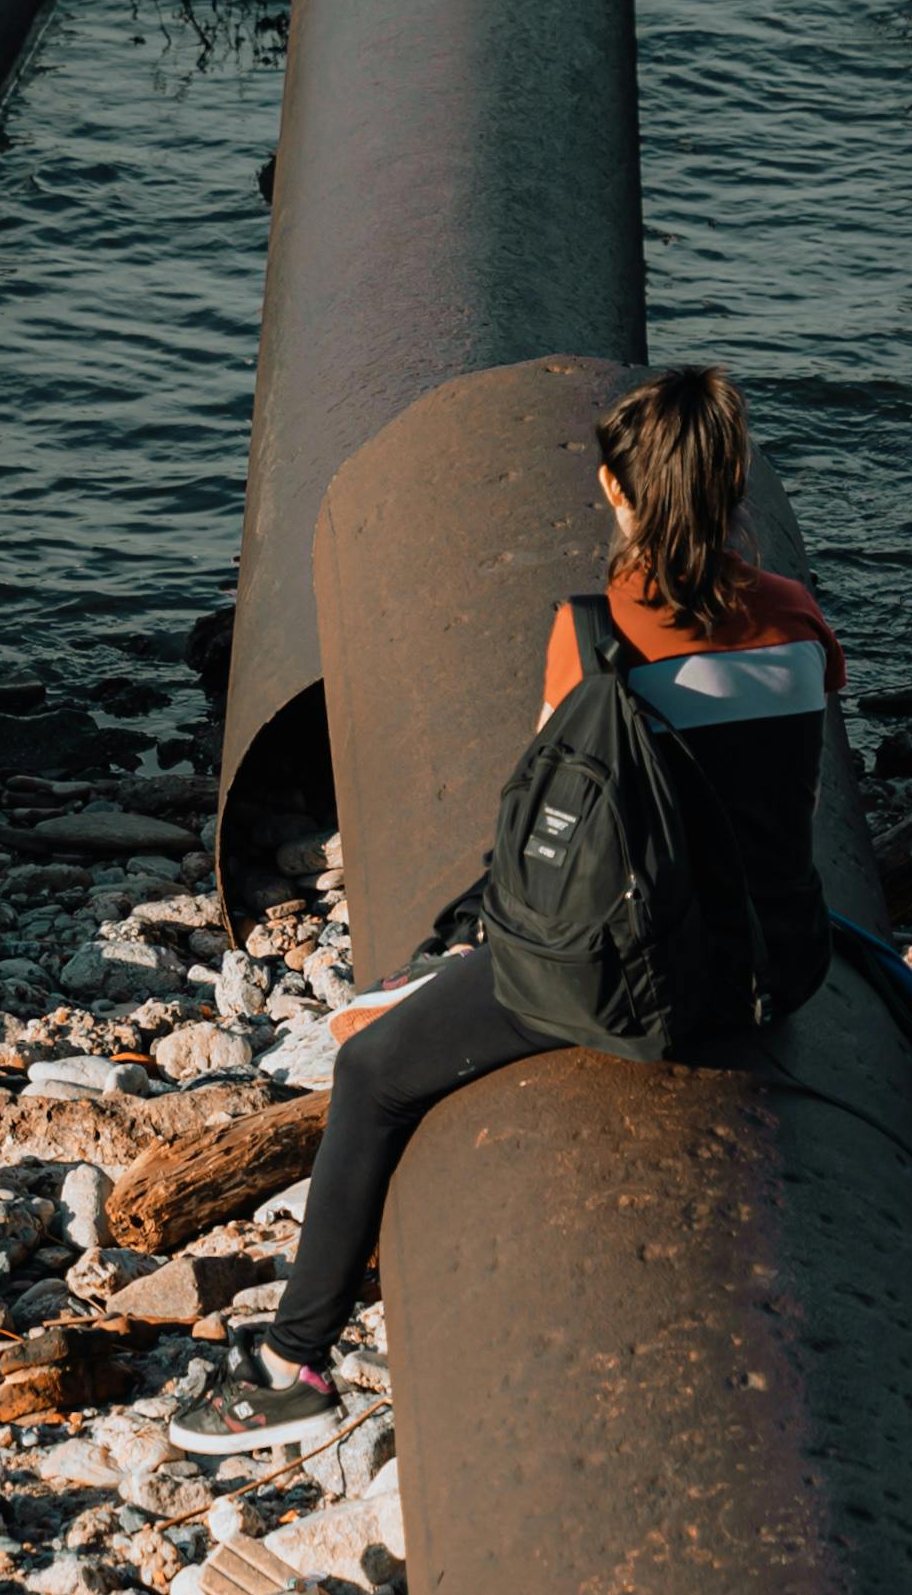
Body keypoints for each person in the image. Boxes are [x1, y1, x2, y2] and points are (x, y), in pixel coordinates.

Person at [177, 366, 844, 1455]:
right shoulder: (800, 621)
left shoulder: (591, 635)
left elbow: (563, 832)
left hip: (638, 976)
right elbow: (784, 788)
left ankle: (293, 1364)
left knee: (369, 1071)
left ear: (613, 492)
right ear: (734, 488)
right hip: (776, 958)